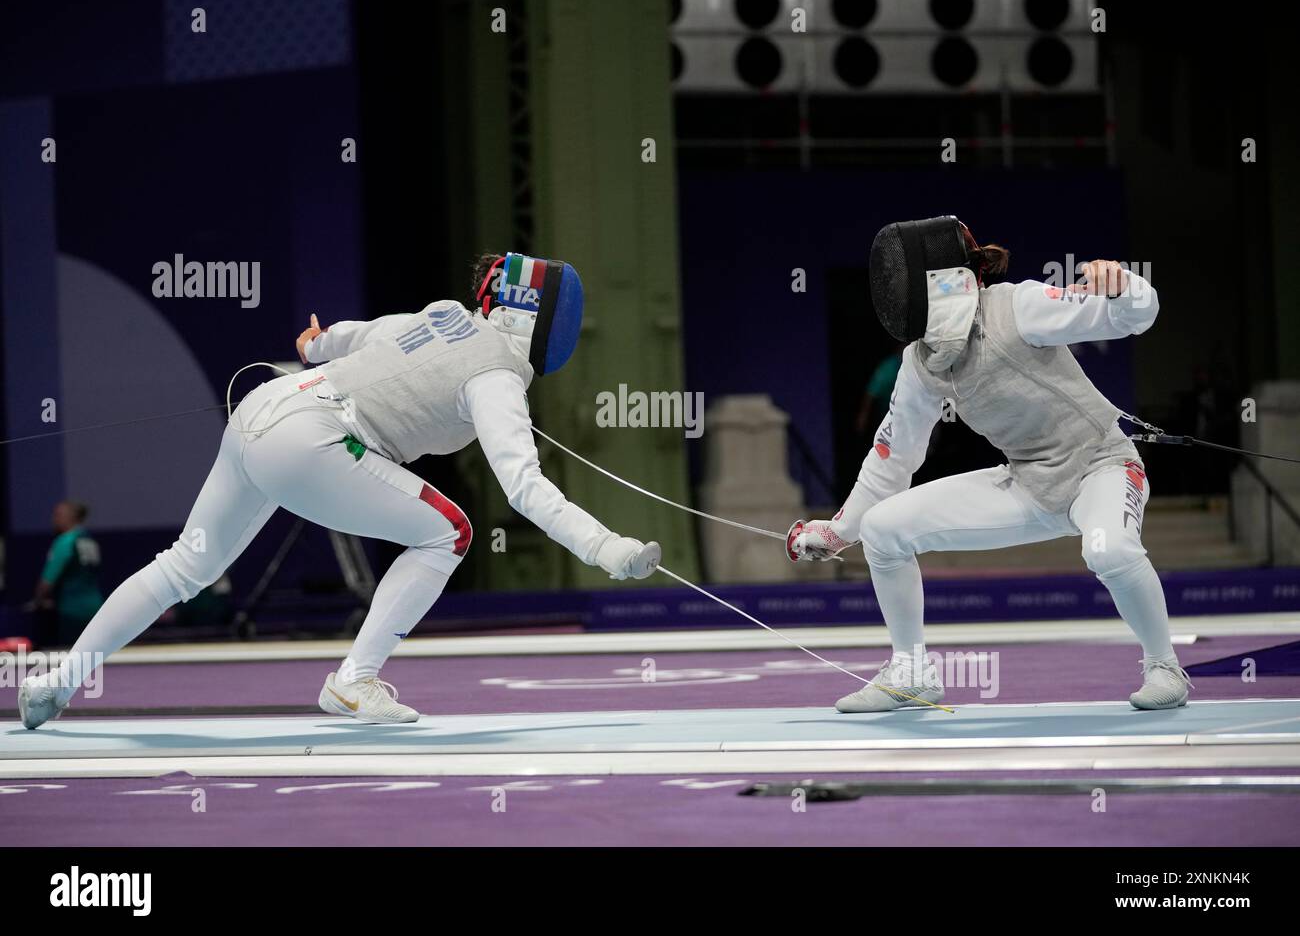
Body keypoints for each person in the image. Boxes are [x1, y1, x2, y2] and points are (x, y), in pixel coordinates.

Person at [20, 253, 660, 729]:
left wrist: (317, 342)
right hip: (311, 440)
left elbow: (362, 333)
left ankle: (58, 680)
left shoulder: (441, 318)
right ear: (544, 322)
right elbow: (522, 486)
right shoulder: (495, 374)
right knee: (450, 531)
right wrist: (610, 549)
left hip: (265, 403)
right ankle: (354, 680)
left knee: (185, 564)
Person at [788, 216, 1189, 712]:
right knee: (883, 528)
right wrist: (841, 530)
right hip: (1027, 482)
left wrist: (1124, 285)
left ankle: (1164, 665)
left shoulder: (1017, 306)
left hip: (1100, 468)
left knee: (1107, 551)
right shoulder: (922, 360)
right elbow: (894, 456)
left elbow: (1131, 318)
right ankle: (912, 672)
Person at [34, 501, 104, 647]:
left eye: (58, 515)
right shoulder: (89, 540)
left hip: (71, 611)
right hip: (96, 608)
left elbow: (48, 580)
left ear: (71, 517)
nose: (54, 519)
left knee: (72, 660)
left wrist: (38, 601)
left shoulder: (65, 541)